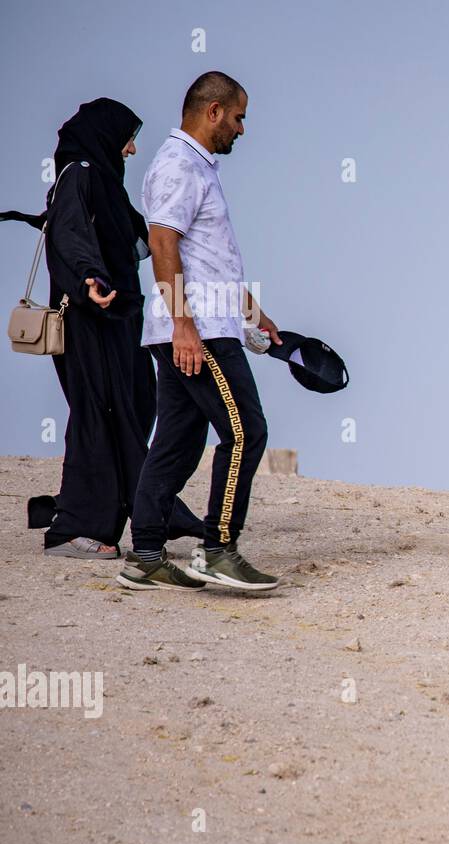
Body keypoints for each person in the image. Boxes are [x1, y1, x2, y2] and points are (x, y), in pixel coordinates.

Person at [1, 98, 203, 558]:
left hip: (117, 321)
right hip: (88, 321)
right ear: (107, 134)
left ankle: (145, 510)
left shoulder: (103, 179)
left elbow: (135, 241)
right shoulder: (80, 172)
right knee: (97, 414)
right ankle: (74, 530)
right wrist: (92, 276)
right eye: (129, 137)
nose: (132, 149)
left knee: (133, 404)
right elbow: (69, 234)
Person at [117, 72, 280, 591]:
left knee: (178, 441)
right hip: (198, 330)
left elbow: (210, 259)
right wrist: (185, 326)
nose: (242, 128)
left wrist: (255, 312)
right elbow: (162, 244)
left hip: (202, 322)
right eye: (238, 117)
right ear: (213, 111)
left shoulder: (196, 167)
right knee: (246, 431)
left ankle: (145, 555)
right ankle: (218, 548)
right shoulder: (179, 164)